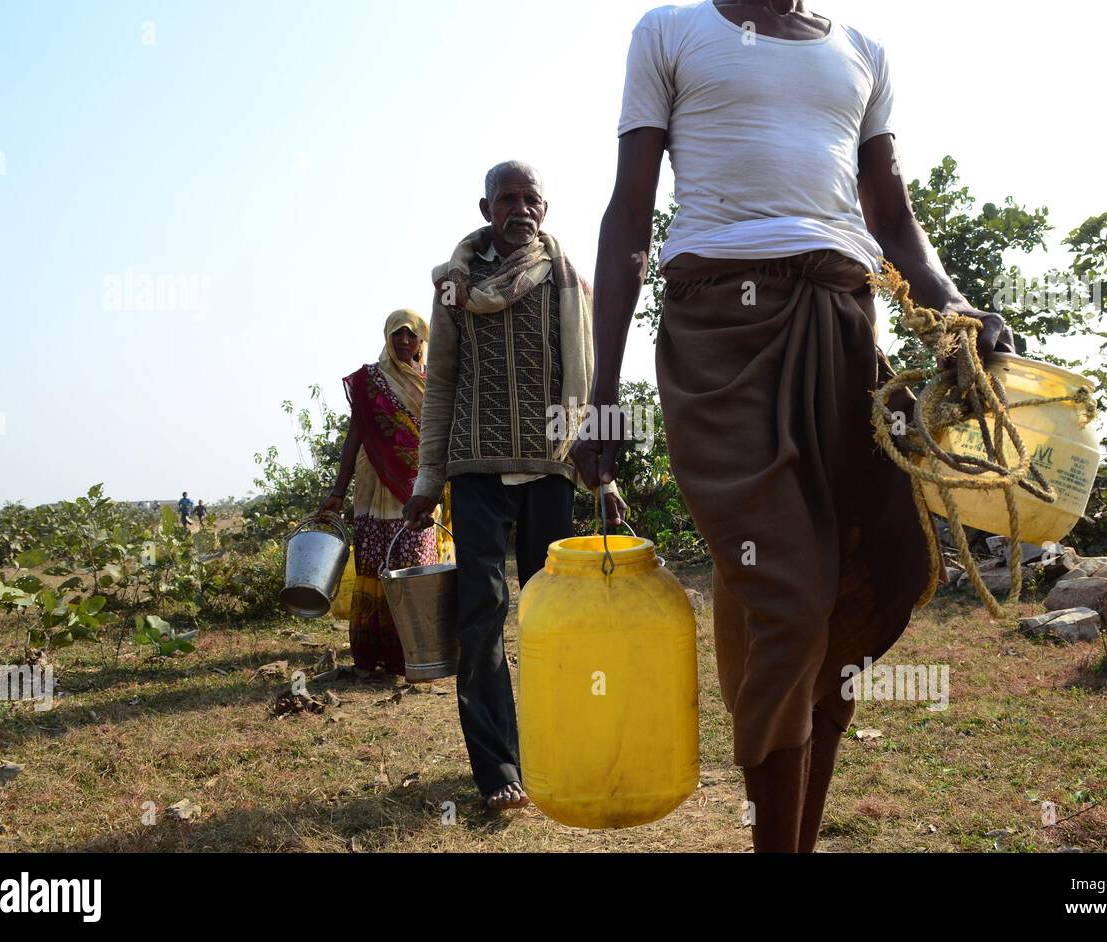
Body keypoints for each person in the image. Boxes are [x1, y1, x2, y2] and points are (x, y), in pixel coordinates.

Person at [573, 0, 1016, 852]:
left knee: (853, 583)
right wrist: (602, 394)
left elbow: (892, 219)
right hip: (719, 334)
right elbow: (628, 217)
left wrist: (956, 305)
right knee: (789, 597)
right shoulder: (668, 32)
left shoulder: (863, 51)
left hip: (844, 326)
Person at [402, 160, 625, 812]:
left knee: (552, 620)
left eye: (531, 198)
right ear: (485, 208)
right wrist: (427, 478)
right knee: (481, 620)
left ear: (545, 210)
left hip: (552, 469)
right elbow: (439, 384)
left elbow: (586, 381)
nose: (520, 208)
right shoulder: (454, 289)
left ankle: (555, 748)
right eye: (507, 198)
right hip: (475, 473)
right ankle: (498, 766)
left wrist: (603, 474)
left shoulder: (566, 280)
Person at [321, 309, 442, 675]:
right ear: (387, 338)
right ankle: (375, 653)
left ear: (422, 340)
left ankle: (415, 651)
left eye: (411, 334)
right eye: (397, 334)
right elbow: (355, 436)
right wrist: (338, 492)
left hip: (419, 485)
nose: (404, 340)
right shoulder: (370, 381)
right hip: (374, 482)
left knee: (415, 563)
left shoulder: (433, 382)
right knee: (377, 563)